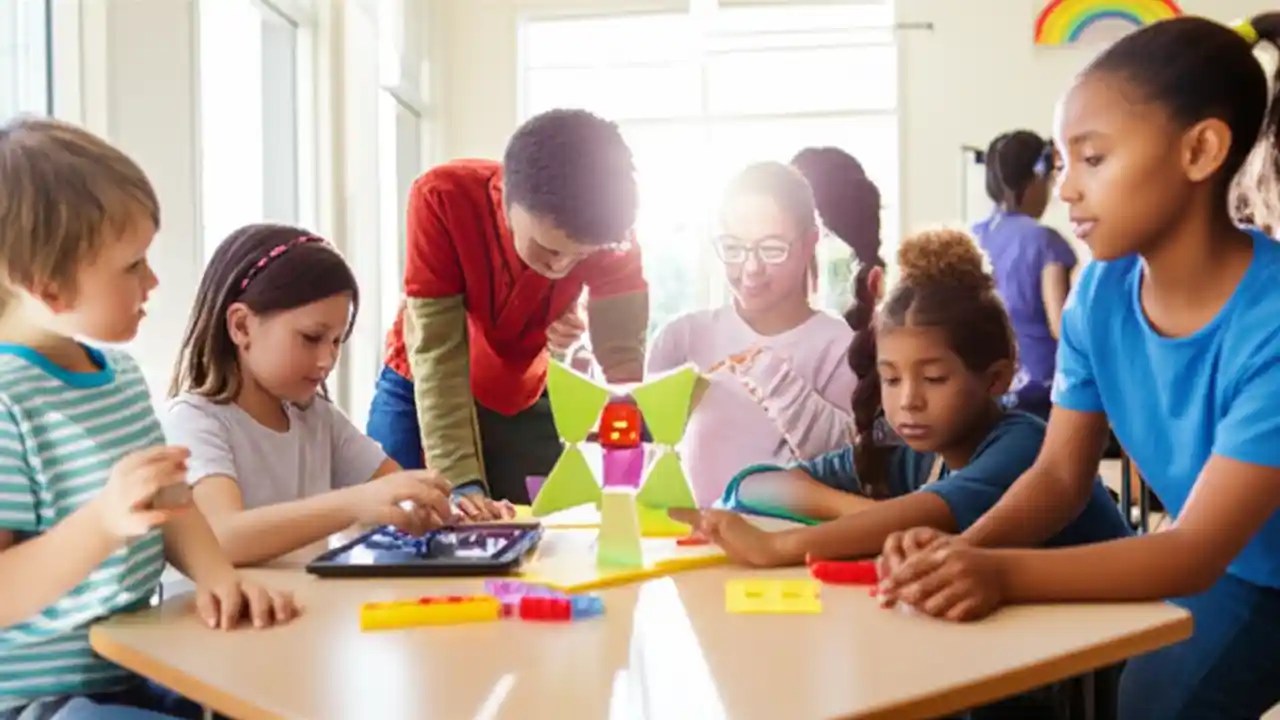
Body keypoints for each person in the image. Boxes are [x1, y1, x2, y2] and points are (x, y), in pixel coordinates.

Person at [876, 15, 1280, 720]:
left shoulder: (1270, 317)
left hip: (1238, 566)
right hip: (1236, 564)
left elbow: (1193, 554)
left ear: (1201, 149)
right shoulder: (1099, 292)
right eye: (1061, 163)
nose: (1065, 190)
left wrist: (996, 571)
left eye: (1092, 160)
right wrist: (957, 556)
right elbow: (1061, 476)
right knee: (1143, 696)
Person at [0, 117, 296, 720]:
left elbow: (170, 498)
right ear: (50, 288)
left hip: (134, 663)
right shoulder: (7, 398)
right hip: (38, 700)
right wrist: (103, 523)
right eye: (132, 265)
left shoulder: (122, 375)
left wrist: (219, 577)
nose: (153, 281)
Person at [672, 229, 1128, 562]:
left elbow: (931, 514)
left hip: (1104, 667)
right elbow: (753, 486)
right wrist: (865, 511)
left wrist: (779, 546)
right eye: (891, 379)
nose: (908, 400)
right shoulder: (913, 451)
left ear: (996, 379)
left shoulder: (1023, 445)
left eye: (933, 379)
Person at [165, 224, 512, 568]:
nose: (327, 360)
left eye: (336, 341)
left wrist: (455, 512)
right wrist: (356, 503)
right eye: (311, 337)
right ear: (241, 326)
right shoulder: (194, 421)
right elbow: (222, 538)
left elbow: (398, 491)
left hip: (300, 615)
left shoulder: (318, 418)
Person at [367, 109, 649, 504]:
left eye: (579, 256)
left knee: (540, 525)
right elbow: (438, 354)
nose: (561, 266)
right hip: (421, 380)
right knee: (401, 516)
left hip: (518, 388)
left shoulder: (610, 233)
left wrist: (634, 443)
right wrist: (461, 482)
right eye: (549, 249)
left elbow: (622, 363)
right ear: (507, 200)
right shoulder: (443, 198)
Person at [647, 162, 855, 506]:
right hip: (684, 546)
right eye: (734, 248)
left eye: (772, 248)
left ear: (809, 243)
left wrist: (776, 381)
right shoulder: (681, 339)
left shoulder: (838, 346)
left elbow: (845, 464)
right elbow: (647, 453)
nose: (752, 267)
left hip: (785, 543)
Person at [972, 130, 1076, 419]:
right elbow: (1061, 326)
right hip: (1041, 391)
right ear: (1034, 181)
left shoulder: (971, 237)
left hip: (988, 389)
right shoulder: (1045, 242)